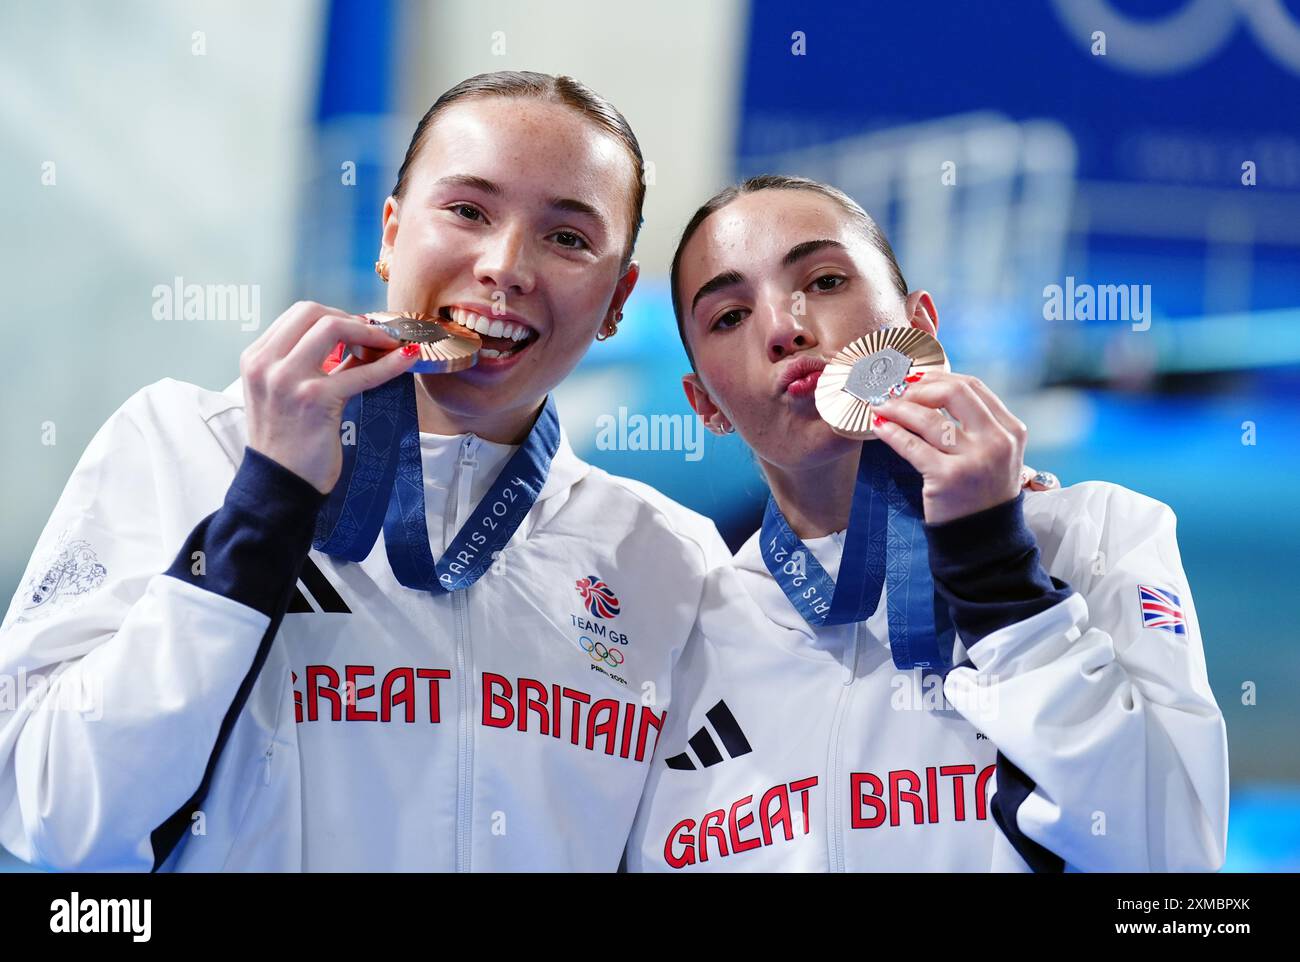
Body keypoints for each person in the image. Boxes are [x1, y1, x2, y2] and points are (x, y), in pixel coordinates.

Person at [0, 71, 730, 872]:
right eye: (467, 210)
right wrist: (264, 502)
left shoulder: (672, 561)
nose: (506, 266)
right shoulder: (190, 447)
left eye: (568, 238)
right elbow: (48, 809)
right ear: (388, 234)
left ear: (619, 299)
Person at [624, 175, 1229, 872]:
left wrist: (1001, 578)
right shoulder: (687, 628)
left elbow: (1175, 871)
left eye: (823, 280)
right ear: (706, 403)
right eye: (729, 316)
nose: (785, 327)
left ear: (920, 325)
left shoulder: (1092, 535)